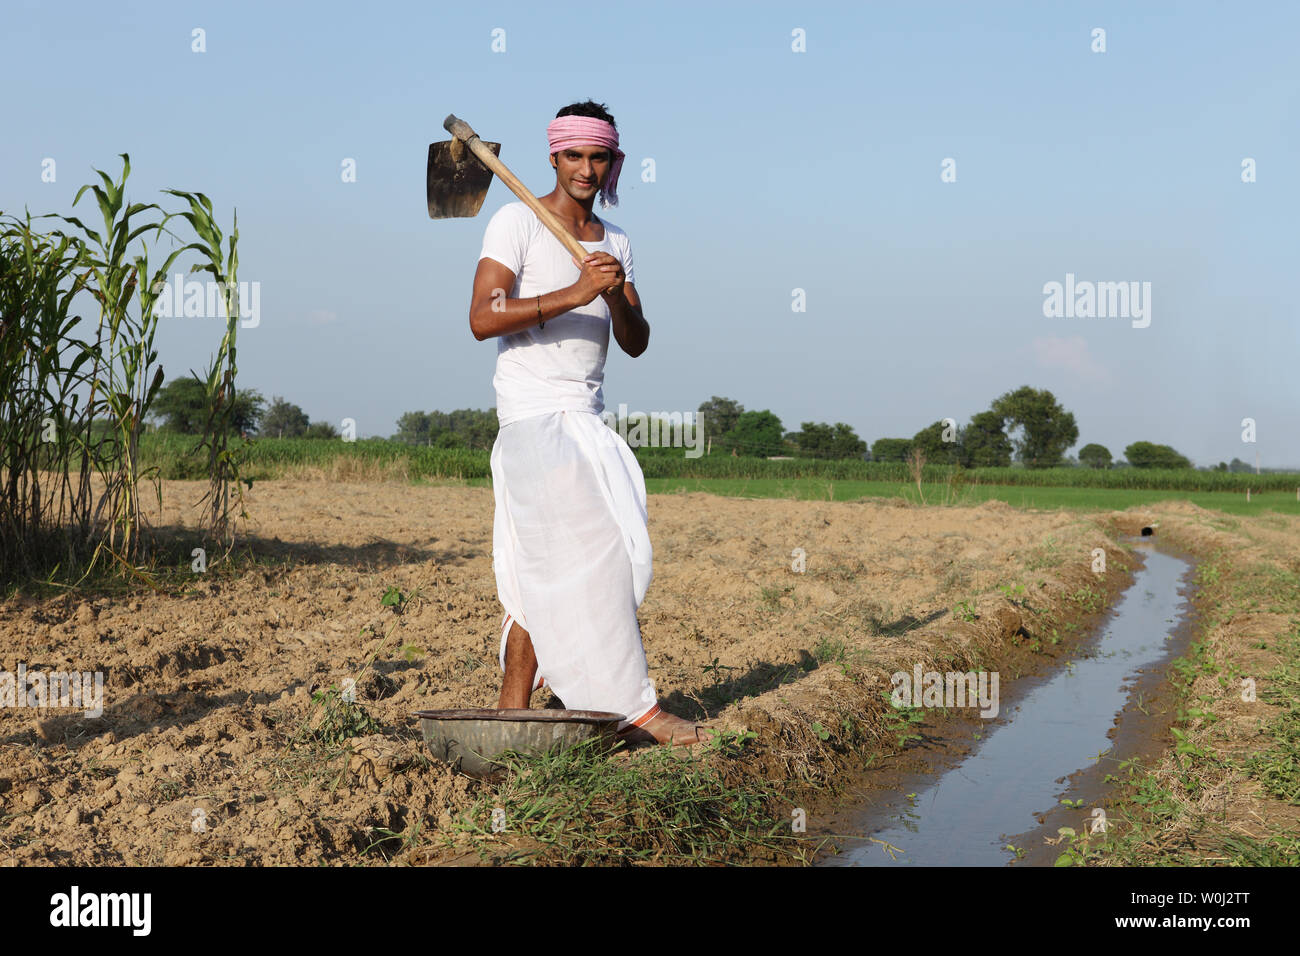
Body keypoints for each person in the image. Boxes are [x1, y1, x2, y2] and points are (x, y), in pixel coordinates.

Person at [468, 99, 707, 746]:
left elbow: (636, 341)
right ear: (553, 155)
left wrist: (612, 292)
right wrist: (571, 294)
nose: (586, 168)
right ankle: (637, 710)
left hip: (587, 419)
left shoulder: (616, 243)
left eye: (598, 156)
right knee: (590, 564)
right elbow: (483, 317)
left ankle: (513, 712)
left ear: (613, 162)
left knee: (593, 563)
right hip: (533, 421)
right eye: (574, 154)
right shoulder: (516, 222)